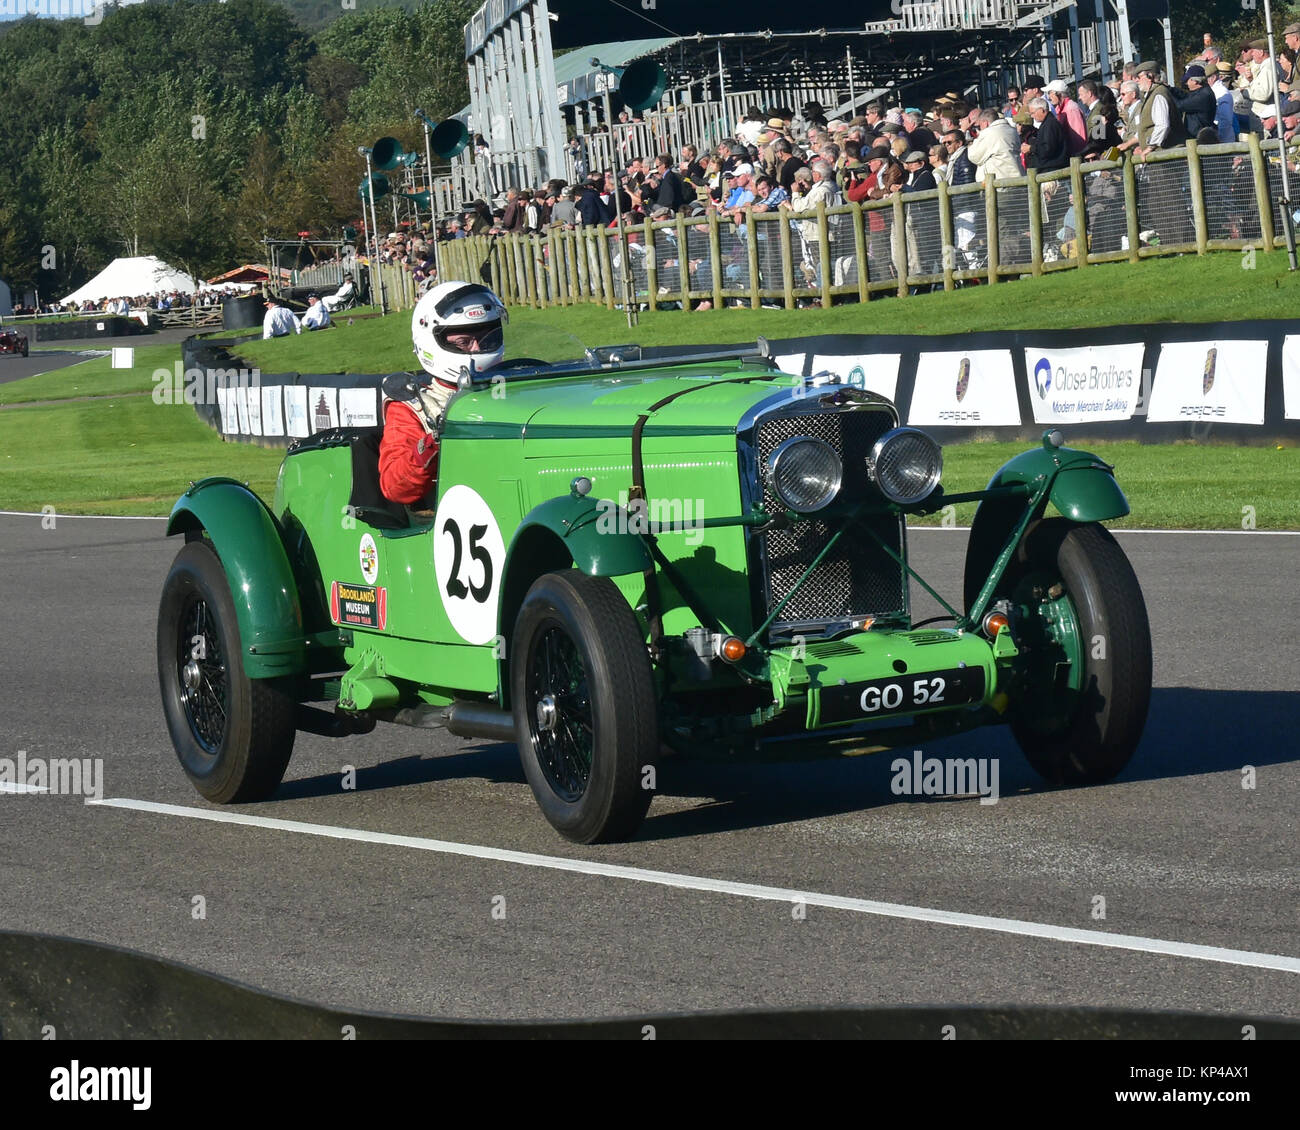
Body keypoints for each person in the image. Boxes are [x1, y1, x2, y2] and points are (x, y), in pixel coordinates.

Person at [378, 282, 508, 507]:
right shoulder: (412, 407)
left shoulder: (518, 384)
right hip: (458, 510)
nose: (477, 348)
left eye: (488, 338)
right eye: (464, 342)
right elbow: (394, 487)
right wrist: (433, 442)